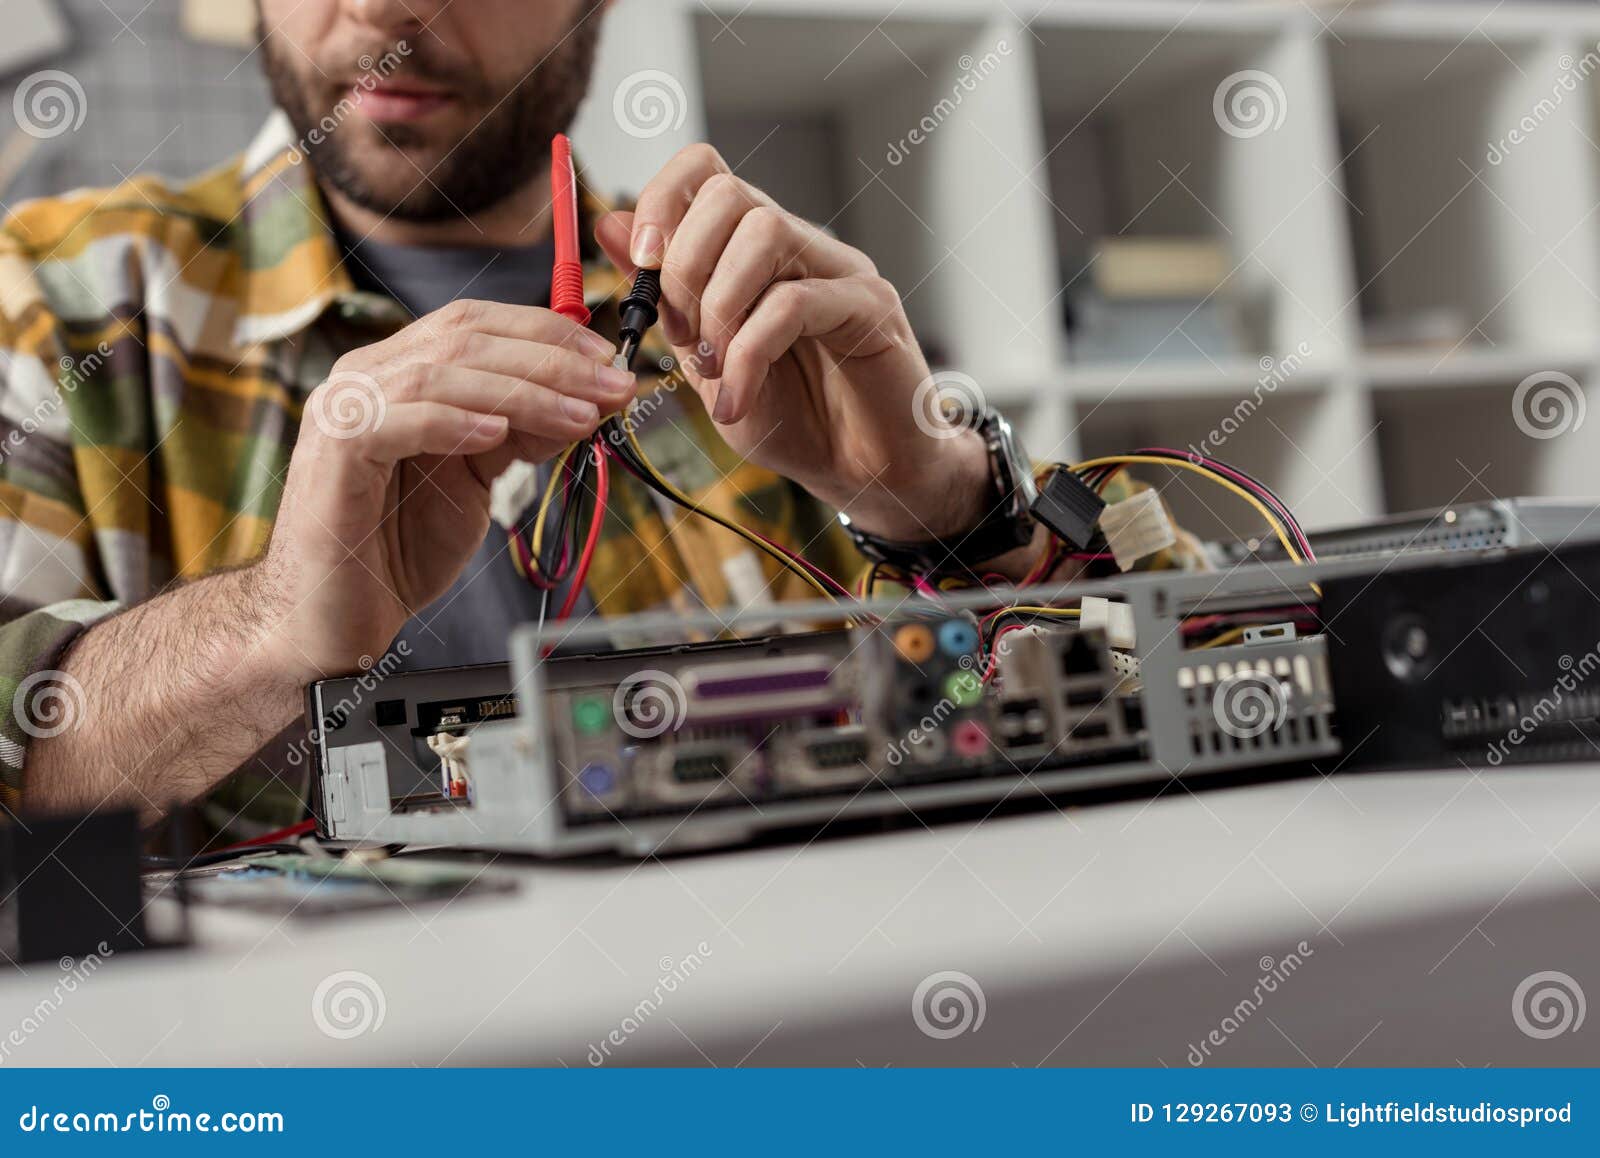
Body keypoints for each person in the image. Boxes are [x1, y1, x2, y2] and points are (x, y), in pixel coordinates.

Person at [0, 0, 1093, 831]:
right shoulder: (61, 300)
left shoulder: (762, 323)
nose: (385, 13)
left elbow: (1200, 661)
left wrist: (944, 509)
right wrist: (266, 632)